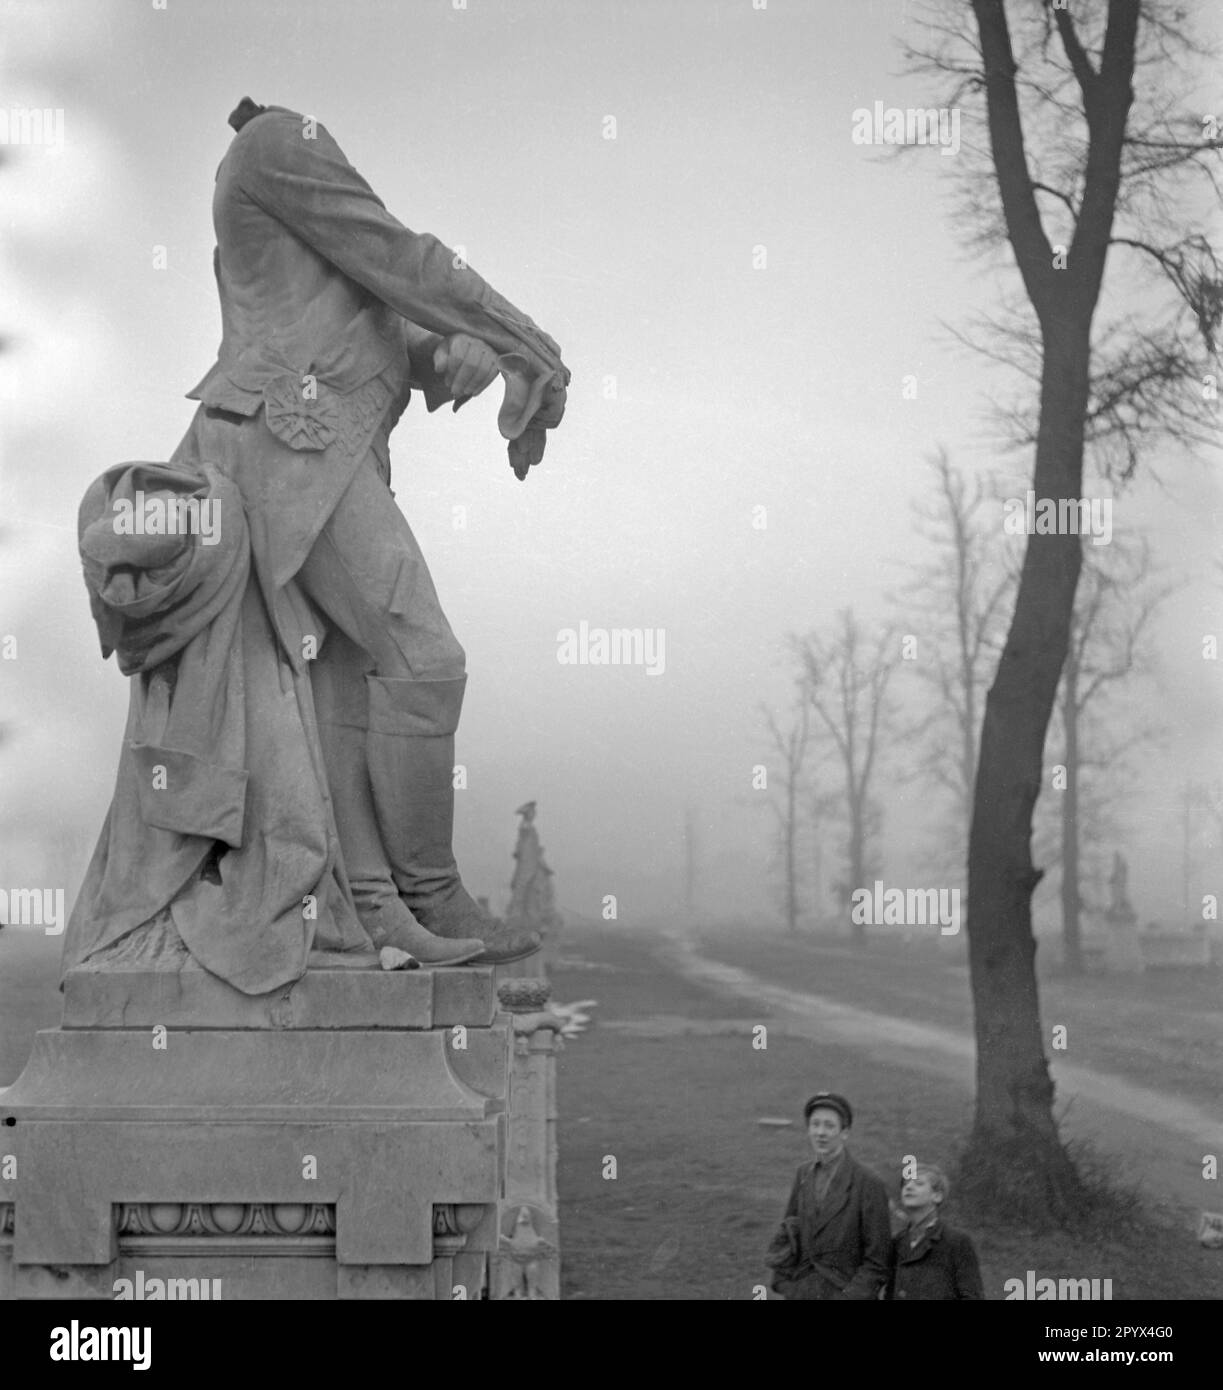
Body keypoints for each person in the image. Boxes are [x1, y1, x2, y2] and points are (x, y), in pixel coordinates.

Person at [67, 97, 570, 993]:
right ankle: (432, 890)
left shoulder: (293, 172)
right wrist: (527, 343)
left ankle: (374, 899)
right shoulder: (274, 145)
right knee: (423, 653)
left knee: (338, 679)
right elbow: (396, 257)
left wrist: (449, 349)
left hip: (322, 450)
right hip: (284, 439)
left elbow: (372, 305)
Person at [765, 1091, 892, 1300]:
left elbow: (878, 1261)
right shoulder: (803, 1175)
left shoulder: (868, 1183)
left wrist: (848, 1297)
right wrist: (785, 1285)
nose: (820, 1133)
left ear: (845, 1132)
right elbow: (788, 1234)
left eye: (829, 1126)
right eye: (815, 1125)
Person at [886, 1163, 984, 1300]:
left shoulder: (957, 1242)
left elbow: (972, 1295)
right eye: (905, 1184)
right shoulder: (898, 1242)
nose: (908, 1187)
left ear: (937, 1196)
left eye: (919, 1183)